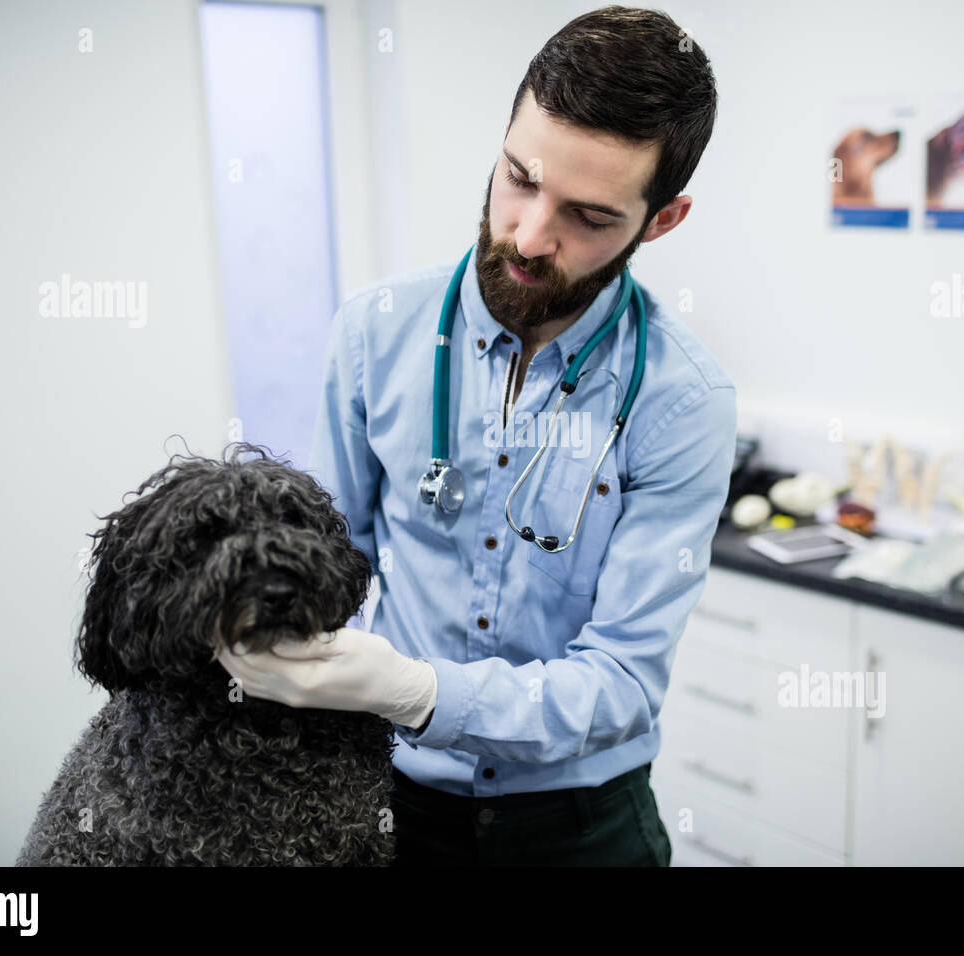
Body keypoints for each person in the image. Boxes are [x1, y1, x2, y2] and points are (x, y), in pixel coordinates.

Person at [219, 5, 735, 866]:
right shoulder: (374, 333)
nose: (530, 235)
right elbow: (326, 563)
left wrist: (420, 692)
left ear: (662, 220)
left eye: (589, 217)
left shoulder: (684, 402)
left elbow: (621, 683)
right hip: (391, 804)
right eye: (519, 178)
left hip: (583, 826)